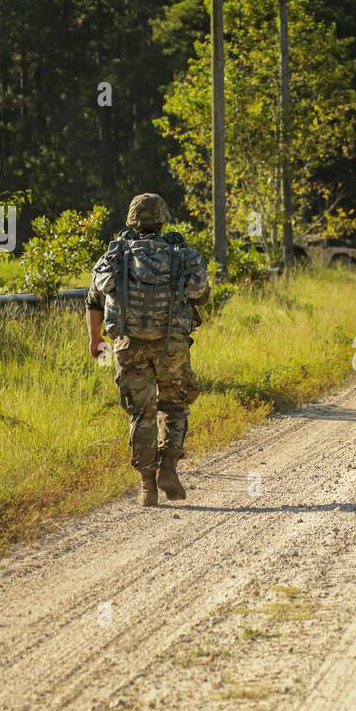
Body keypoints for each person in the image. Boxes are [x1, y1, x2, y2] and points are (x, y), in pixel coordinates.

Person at [86, 193, 210, 506]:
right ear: (162, 220)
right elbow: (199, 292)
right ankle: (168, 469)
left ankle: (147, 487)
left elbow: (94, 300)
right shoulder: (182, 254)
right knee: (174, 404)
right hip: (171, 345)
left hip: (128, 346)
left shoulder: (115, 255)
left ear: (131, 220)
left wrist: (95, 339)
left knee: (141, 414)